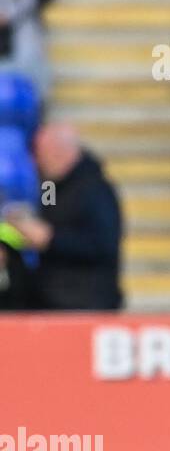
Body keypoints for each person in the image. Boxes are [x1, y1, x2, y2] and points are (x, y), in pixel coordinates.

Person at [4, 123, 122, 310]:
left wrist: (51, 239)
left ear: (61, 152)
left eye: (42, 154)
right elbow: (47, 217)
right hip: (49, 297)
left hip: (85, 302)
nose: (36, 162)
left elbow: (102, 245)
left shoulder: (95, 189)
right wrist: (25, 221)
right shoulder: (49, 185)